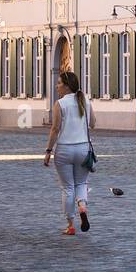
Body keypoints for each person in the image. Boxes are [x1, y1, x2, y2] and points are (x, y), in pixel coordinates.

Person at [42, 70, 96, 236]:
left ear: (66, 86)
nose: (56, 86)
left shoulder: (60, 104)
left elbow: (55, 129)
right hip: (83, 149)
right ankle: (82, 206)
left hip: (65, 149)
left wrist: (48, 151)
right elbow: (93, 124)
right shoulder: (85, 101)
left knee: (67, 187)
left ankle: (71, 224)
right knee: (81, 184)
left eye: (59, 83)